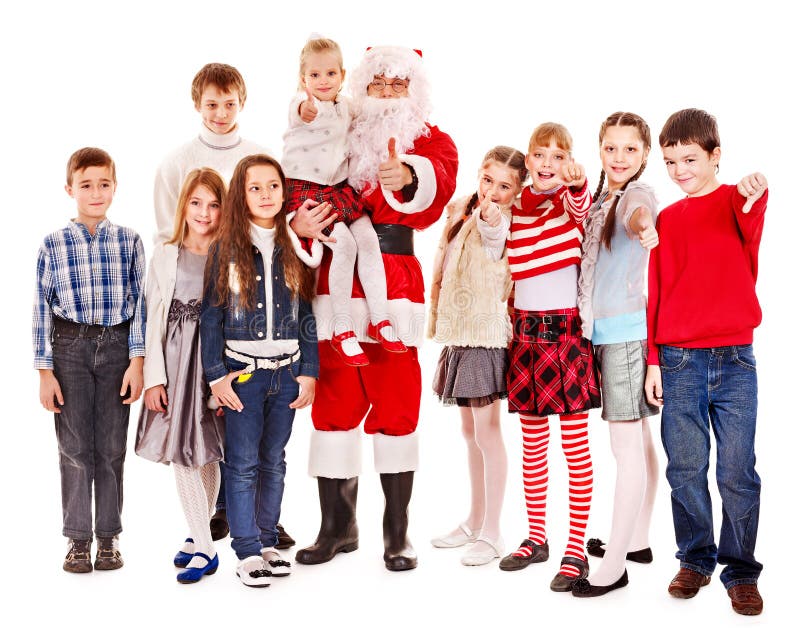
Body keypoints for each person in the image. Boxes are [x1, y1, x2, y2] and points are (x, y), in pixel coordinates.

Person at [290, 45, 458, 571]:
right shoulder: (338, 127)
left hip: (394, 276)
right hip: (336, 274)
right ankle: (338, 527)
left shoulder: (432, 140)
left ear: (414, 91)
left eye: (398, 86)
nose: (386, 95)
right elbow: (295, 168)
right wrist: (300, 224)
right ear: (360, 87)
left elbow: (440, 185)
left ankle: (396, 530)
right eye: (378, 85)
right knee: (334, 398)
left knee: (397, 399)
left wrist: (408, 176)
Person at [153, 62, 292, 547]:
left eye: (229, 104)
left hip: (250, 307)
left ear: (242, 103)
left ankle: (256, 514)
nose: (220, 112)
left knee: (251, 408)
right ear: (197, 104)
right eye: (211, 104)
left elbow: (276, 223)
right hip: (198, 308)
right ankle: (221, 514)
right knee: (212, 413)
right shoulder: (177, 162)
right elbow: (169, 232)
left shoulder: (258, 155)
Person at [644, 108, 768, 616]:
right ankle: (695, 558)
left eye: (690, 159)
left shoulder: (737, 198)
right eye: (670, 161)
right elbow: (654, 293)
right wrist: (654, 360)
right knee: (686, 467)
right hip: (678, 362)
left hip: (735, 359)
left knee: (738, 471)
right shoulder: (666, 220)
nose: (678, 171)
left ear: (716, 156)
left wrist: (754, 190)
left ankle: (740, 570)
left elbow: (750, 217)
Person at [200, 154, 319, 587]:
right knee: (243, 462)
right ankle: (247, 550)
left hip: (285, 374)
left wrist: (309, 370)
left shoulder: (294, 247)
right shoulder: (226, 248)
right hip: (243, 377)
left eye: (273, 186)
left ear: (284, 192)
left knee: (274, 461)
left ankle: (268, 541)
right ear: (241, 195)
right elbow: (211, 317)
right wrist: (216, 375)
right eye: (255, 187)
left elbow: (306, 310)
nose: (266, 194)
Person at [499, 123, 600, 592]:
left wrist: (576, 183)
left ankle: (575, 550)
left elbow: (580, 202)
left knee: (575, 449)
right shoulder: (514, 206)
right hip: (524, 340)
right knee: (533, 446)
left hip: (566, 338)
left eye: (558, 156)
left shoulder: (571, 204)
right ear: (528, 160)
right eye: (540, 154)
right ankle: (536, 538)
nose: (547, 163)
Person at [34, 147, 145, 573]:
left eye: (103, 184)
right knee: (75, 446)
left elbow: (140, 305)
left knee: (112, 446)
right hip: (69, 349)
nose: (95, 192)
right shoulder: (54, 244)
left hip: (117, 348)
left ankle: (109, 537)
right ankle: (78, 539)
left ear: (115, 188)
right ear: (70, 189)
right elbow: (41, 308)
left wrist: (137, 361)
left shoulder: (129, 241)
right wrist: (45, 372)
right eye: (86, 185)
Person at [571, 112, 660, 598]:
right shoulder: (603, 197)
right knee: (639, 441)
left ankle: (615, 564)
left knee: (624, 448)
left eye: (630, 149)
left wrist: (645, 228)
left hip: (625, 335)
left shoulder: (635, 197)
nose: (620, 157)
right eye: (612, 148)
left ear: (645, 154)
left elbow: (640, 216)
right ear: (600, 149)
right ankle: (640, 540)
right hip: (606, 333)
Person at [428, 146, 526, 566]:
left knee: (488, 434)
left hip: (484, 336)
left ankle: (493, 531)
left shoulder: (499, 220)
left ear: (517, 190)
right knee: (469, 434)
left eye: (505, 186)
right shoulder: (464, 210)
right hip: (460, 332)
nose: (494, 191)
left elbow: (494, 234)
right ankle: (474, 518)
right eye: (489, 180)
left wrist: (490, 217)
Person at [282, 36, 405, 366]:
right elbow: (300, 111)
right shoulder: (302, 105)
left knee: (368, 240)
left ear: (342, 75)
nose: (323, 82)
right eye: (315, 76)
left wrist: (389, 93)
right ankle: (342, 328)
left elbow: (373, 109)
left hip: (339, 187)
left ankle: (380, 319)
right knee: (345, 246)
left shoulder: (347, 105)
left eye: (331, 74)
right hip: (309, 188)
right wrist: (305, 108)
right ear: (303, 79)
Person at [136, 168, 226, 583]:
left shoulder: (229, 253)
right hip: (175, 363)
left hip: (212, 363)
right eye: (196, 203)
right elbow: (152, 317)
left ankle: (199, 536)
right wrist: (153, 376)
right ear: (183, 206)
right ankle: (203, 544)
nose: (204, 213)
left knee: (207, 449)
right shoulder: (166, 253)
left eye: (212, 204)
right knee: (181, 451)